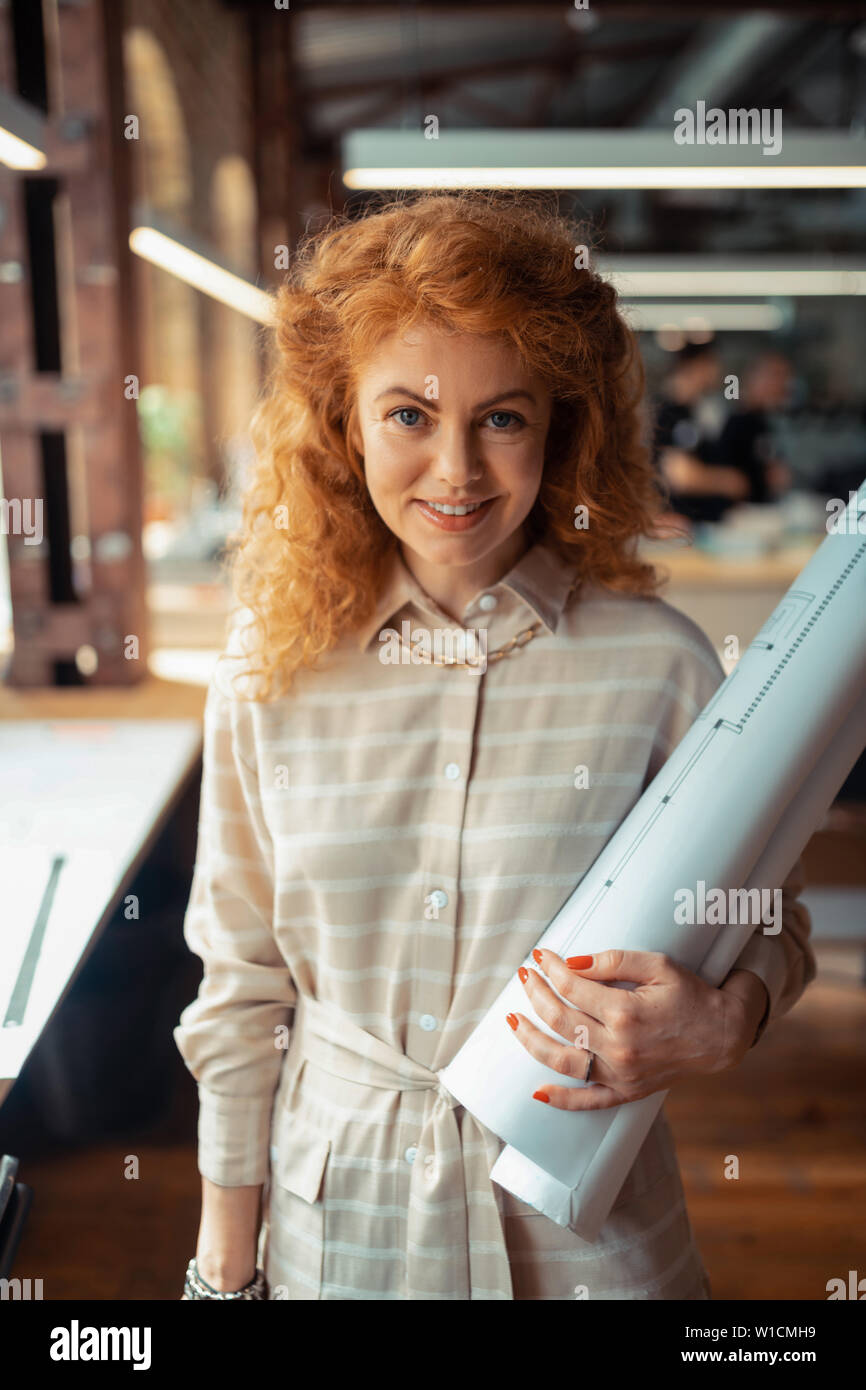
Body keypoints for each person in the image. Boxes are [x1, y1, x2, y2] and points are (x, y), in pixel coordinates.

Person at [173, 192, 815, 1301]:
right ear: (342, 423)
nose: (456, 471)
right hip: (341, 1229)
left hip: (585, 1230)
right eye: (408, 416)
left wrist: (723, 1018)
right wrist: (223, 1272)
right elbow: (239, 989)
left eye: (501, 417)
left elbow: (771, 914)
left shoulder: (658, 667)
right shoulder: (264, 672)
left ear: (560, 424)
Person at [654, 342, 751, 523]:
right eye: (712, 364)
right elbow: (680, 475)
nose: (717, 371)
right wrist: (727, 481)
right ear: (696, 365)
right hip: (681, 524)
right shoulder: (670, 414)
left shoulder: (698, 412)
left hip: (704, 524)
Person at [716, 352, 793, 503]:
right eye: (775, 376)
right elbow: (729, 480)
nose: (782, 384)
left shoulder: (764, 422)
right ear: (755, 378)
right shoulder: (737, 423)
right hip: (741, 516)